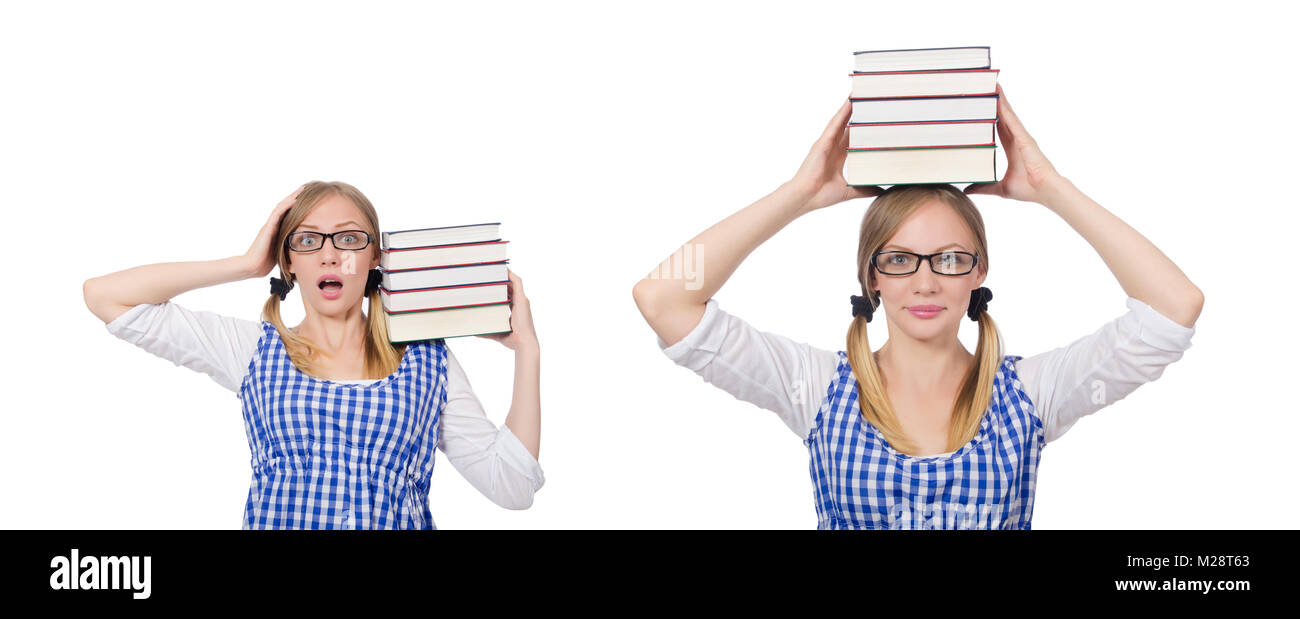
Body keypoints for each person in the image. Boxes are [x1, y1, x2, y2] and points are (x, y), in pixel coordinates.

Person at [632, 85, 1204, 529]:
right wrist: (798, 194)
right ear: (872, 276)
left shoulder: (1033, 394)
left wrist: (1052, 187)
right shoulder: (815, 388)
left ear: (979, 271)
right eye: (900, 260)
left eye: (949, 259)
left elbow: (1174, 307)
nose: (925, 283)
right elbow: (663, 298)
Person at [83, 181, 543, 529]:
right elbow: (105, 297)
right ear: (288, 262)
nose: (329, 255)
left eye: (348, 239)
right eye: (307, 241)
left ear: (375, 258)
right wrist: (246, 264)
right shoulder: (253, 350)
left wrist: (528, 352)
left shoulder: (428, 363)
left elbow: (512, 485)